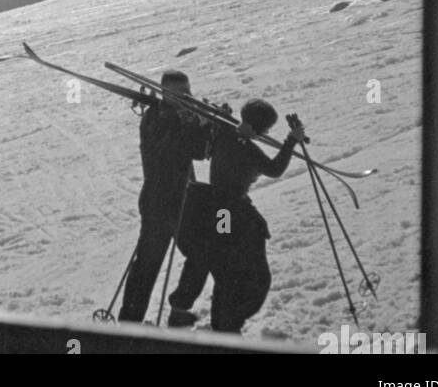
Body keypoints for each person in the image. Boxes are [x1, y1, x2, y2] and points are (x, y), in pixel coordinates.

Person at [175, 99, 305, 334]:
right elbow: (275, 169)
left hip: (215, 207)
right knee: (228, 262)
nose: (265, 134)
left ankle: (222, 319)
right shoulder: (247, 148)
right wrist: (291, 141)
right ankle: (226, 322)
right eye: (265, 130)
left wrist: (222, 116)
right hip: (227, 210)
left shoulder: (225, 133)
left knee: (222, 261)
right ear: (260, 128)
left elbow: (224, 130)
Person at [117, 70, 212, 324]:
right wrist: (196, 124)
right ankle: (129, 324)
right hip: (159, 203)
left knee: (202, 253)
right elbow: (182, 148)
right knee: (147, 268)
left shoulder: (180, 116)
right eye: (180, 93)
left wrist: (207, 124)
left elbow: (203, 152)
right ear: (164, 92)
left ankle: (179, 309)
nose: (187, 96)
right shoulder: (155, 119)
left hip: (183, 200)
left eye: (188, 91)